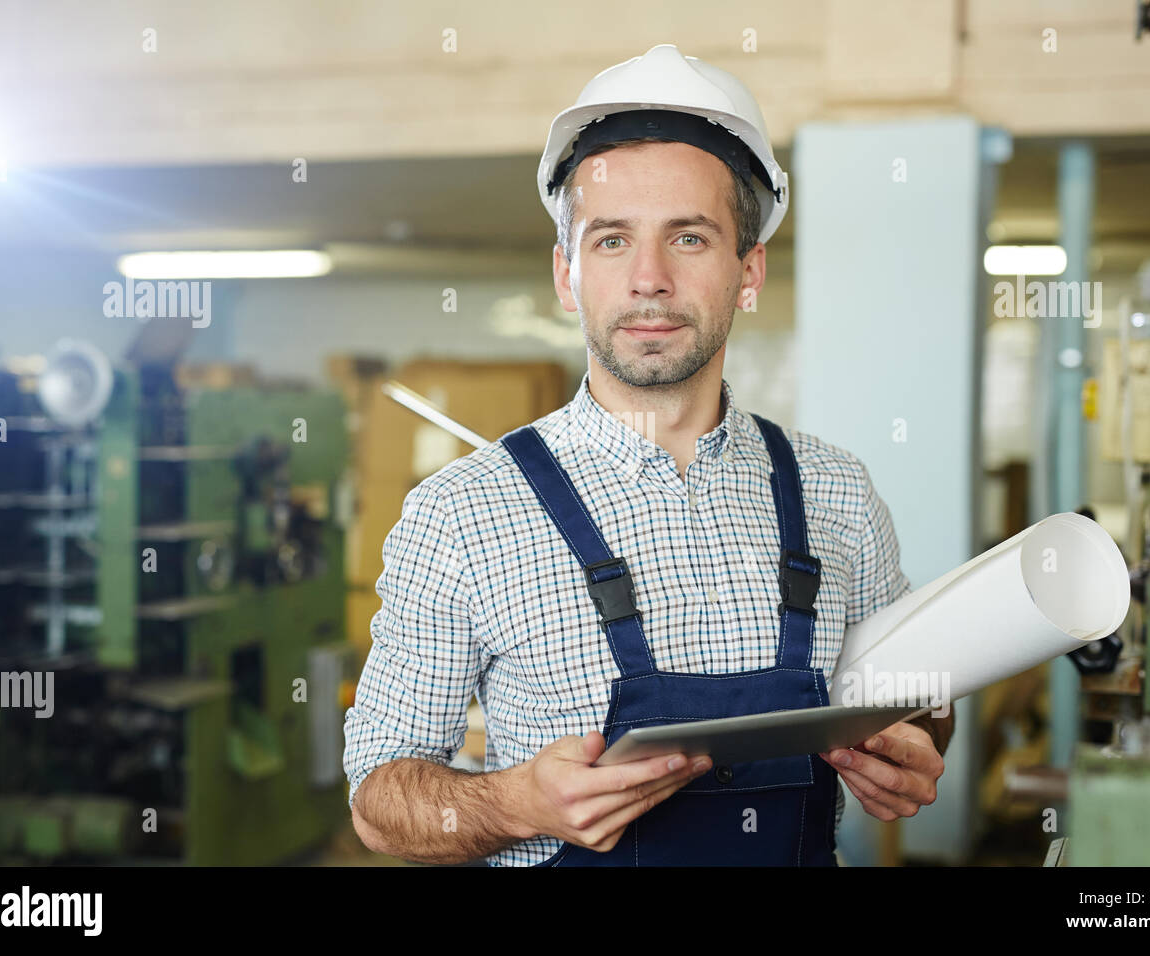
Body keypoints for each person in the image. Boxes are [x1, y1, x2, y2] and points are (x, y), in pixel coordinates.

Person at [344, 43, 952, 867]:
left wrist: (912, 744)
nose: (649, 278)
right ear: (567, 275)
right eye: (610, 241)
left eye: (690, 239)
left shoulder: (835, 491)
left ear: (748, 270)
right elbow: (381, 802)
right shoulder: (462, 512)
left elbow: (914, 702)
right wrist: (513, 800)